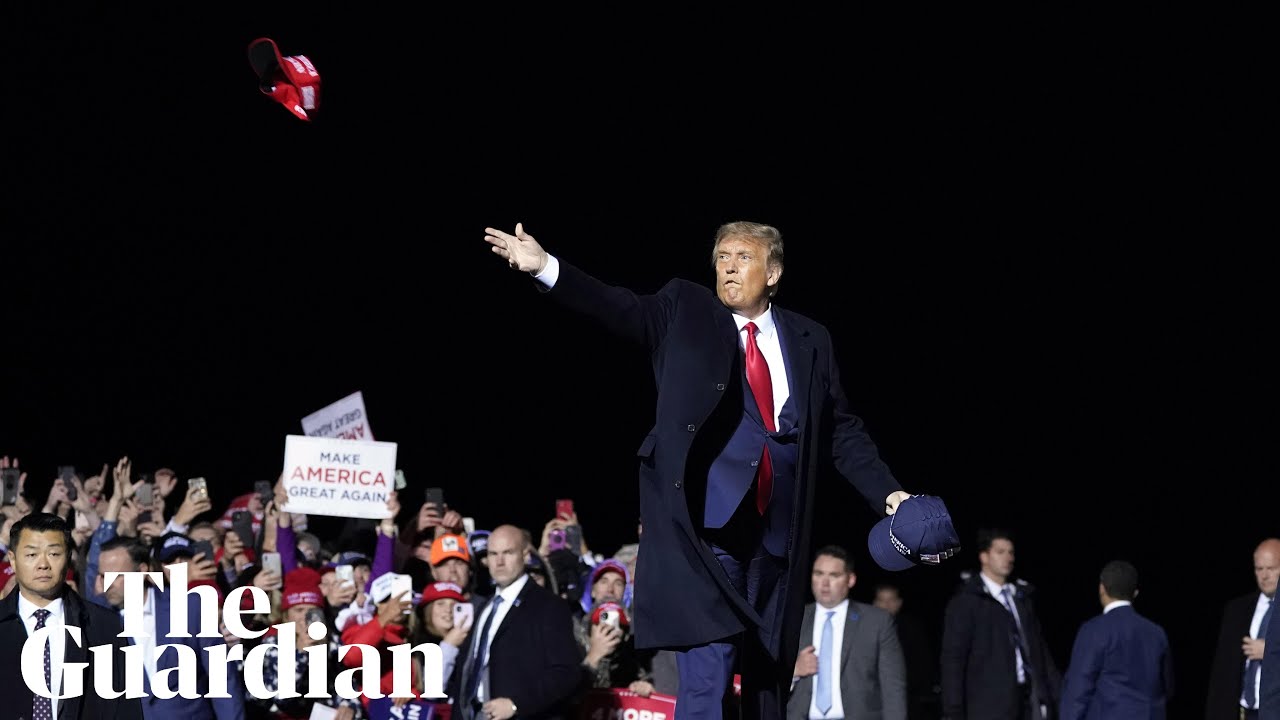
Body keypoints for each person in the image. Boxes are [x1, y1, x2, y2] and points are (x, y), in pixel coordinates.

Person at [483, 221, 914, 720]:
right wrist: (546, 268)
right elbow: (618, 306)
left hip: (777, 540)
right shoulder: (683, 309)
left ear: (773, 272)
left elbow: (841, 429)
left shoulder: (810, 338)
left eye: (743, 257)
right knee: (707, 672)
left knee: (767, 684)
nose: (728, 265)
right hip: (703, 534)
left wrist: (889, 494)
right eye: (722, 256)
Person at [0, 512, 143, 720]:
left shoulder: (105, 626)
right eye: (31, 555)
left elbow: (126, 708)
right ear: (12, 560)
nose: (43, 564)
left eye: (54, 554)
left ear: (68, 558)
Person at [450, 524, 581, 720]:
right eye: (493, 554)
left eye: (508, 552)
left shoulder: (549, 606)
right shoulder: (484, 608)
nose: (499, 562)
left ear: (525, 554)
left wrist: (516, 704)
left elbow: (566, 672)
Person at [940, 528, 1059, 720]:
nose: (1008, 558)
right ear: (984, 557)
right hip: (989, 706)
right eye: (1000, 552)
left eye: (1011, 552)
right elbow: (953, 659)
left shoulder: (1022, 597)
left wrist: (1055, 696)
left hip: (1027, 701)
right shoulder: (967, 602)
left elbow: (1040, 652)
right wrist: (953, 711)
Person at [787, 545, 905, 720]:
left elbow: (893, 686)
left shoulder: (876, 621)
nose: (824, 583)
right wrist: (794, 670)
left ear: (850, 579)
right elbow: (763, 679)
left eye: (834, 575)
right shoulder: (794, 619)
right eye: (818, 574)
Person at [1058, 560, 1173, 720]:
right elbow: (1167, 687)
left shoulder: (1094, 630)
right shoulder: (1157, 633)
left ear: (1102, 588)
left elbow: (1078, 689)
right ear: (1135, 593)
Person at [1207, 538, 1280, 720]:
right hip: (1244, 711)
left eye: (1271, 568)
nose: (1264, 576)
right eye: (1259, 569)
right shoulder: (1237, 610)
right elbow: (1222, 670)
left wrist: (1270, 651)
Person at [873, 582, 940, 719]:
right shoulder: (865, 630)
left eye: (891, 600)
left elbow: (923, 663)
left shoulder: (913, 629)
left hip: (908, 698)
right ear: (874, 603)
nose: (886, 605)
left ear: (899, 603)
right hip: (873, 698)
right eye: (882, 600)